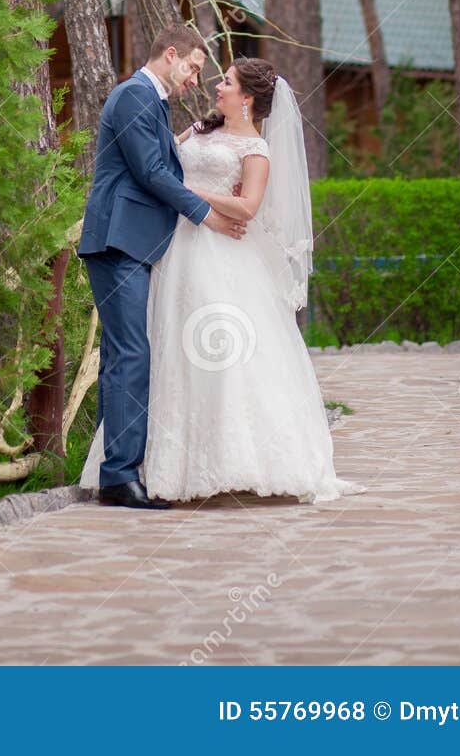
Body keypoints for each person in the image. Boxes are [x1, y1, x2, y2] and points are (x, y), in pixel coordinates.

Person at [80, 56, 366, 505]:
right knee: (162, 347)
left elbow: (248, 207)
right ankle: (146, 463)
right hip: (173, 247)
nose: (216, 85)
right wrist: (187, 193)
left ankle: (232, 460)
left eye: (227, 82)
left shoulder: (255, 149)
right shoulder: (199, 129)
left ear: (247, 98)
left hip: (219, 254)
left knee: (217, 354)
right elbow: (159, 167)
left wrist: (193, 193)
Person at [76, 24, 252, 510]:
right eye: (192, 67)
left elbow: (161, 164)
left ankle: (111, 471)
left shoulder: (151, 101)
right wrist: (208, 216)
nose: (195, 80)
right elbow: (151, 172)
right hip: (118, 241)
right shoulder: (135, 95)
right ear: (170, 54)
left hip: (133, 242)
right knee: (132, 354)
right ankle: (119, 476)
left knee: (121, 356)